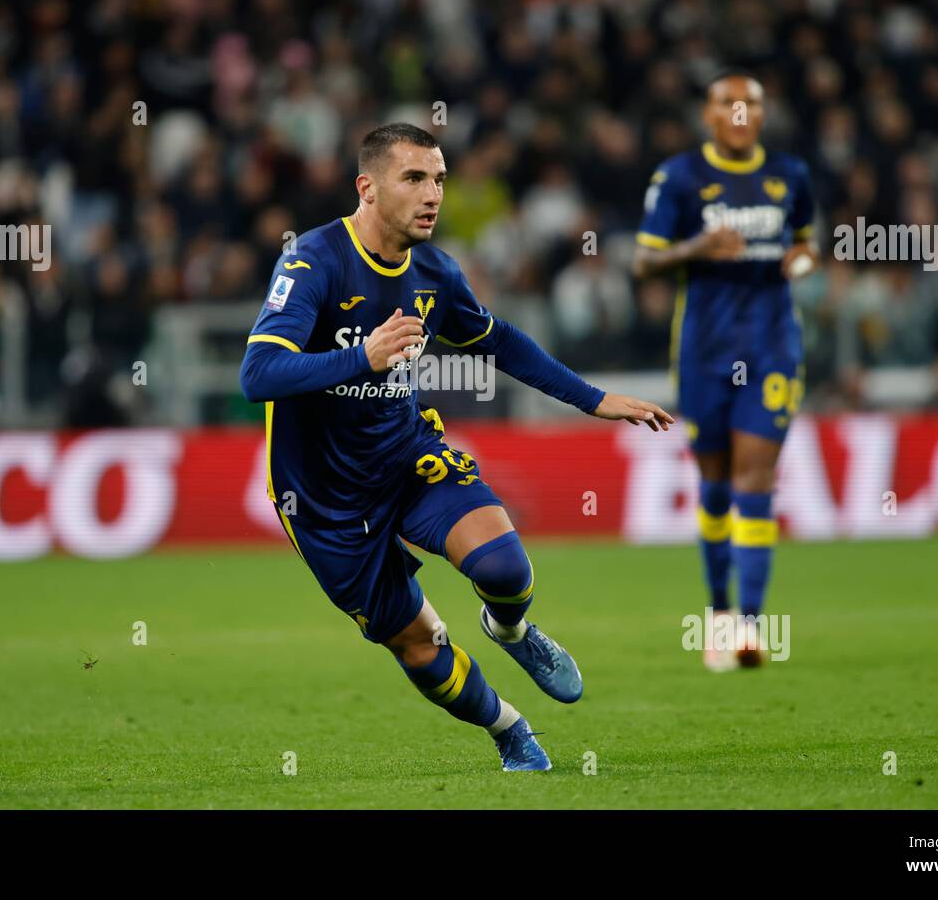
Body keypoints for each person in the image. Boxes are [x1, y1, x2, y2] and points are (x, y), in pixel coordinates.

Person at [241, 123, 674, 771]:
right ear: (368, 186)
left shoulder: (436, 272)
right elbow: (258, 375)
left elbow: (497, 341)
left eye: (439, 179)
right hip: (322, 497)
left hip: (406, 454)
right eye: (414, 178)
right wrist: (363, 355)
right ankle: (510, 729)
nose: (432, 194)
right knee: (419, 644)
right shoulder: (313, 261)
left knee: (504, 568)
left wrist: (593, 399)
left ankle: (511, 630)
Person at [633, 74, 818, 671]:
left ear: (762, 115)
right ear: (709, 115)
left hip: (771, 347)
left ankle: (751, 628)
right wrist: (696, 248)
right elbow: (643, 261)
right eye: (727, 103)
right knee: (714, 487)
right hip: (704, 353)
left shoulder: (792, 175)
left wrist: (803, 258)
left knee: (755, 479)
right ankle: (717, 613)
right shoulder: (680, 177)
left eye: (752, 103)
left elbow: (809, 241)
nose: (740, 112)